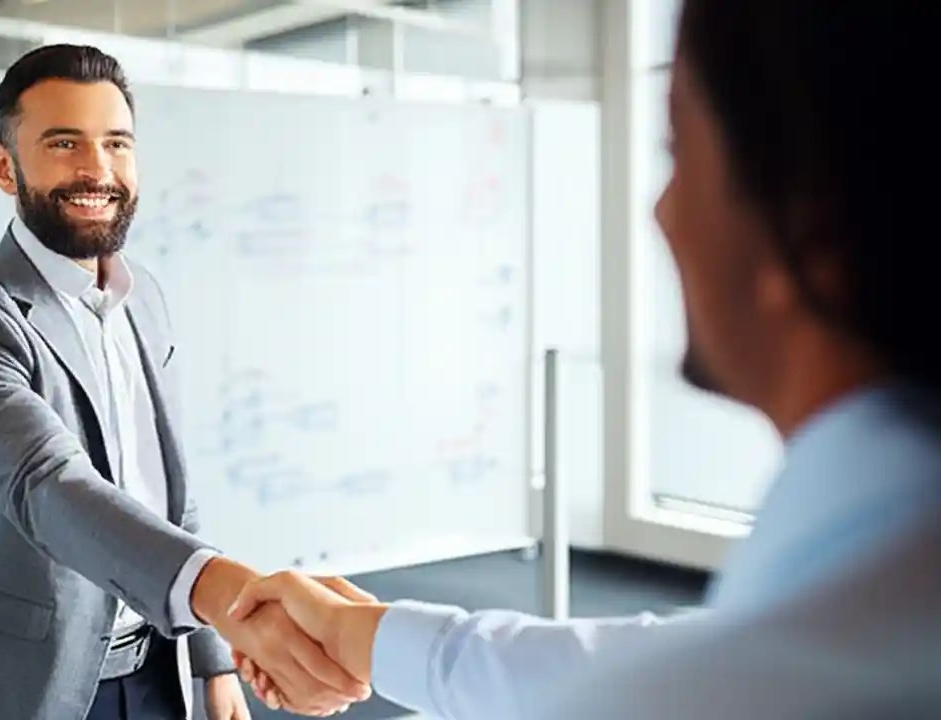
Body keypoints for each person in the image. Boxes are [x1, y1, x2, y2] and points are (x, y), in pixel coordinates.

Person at [230, 1, 941, 718]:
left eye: (677, 154)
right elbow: (683, 658)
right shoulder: (865, 592)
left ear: (803, 219)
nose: (661, 212)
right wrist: (375, 638)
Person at [0, 44, 368, 720]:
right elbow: (52, 489)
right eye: (64, 143)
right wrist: (235, 597)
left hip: (156, 671)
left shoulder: (144, 300)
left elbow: (171, 494)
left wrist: (210, 659)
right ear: (3, 167)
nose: (97, 169)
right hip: (17, 684)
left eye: (117, 144)